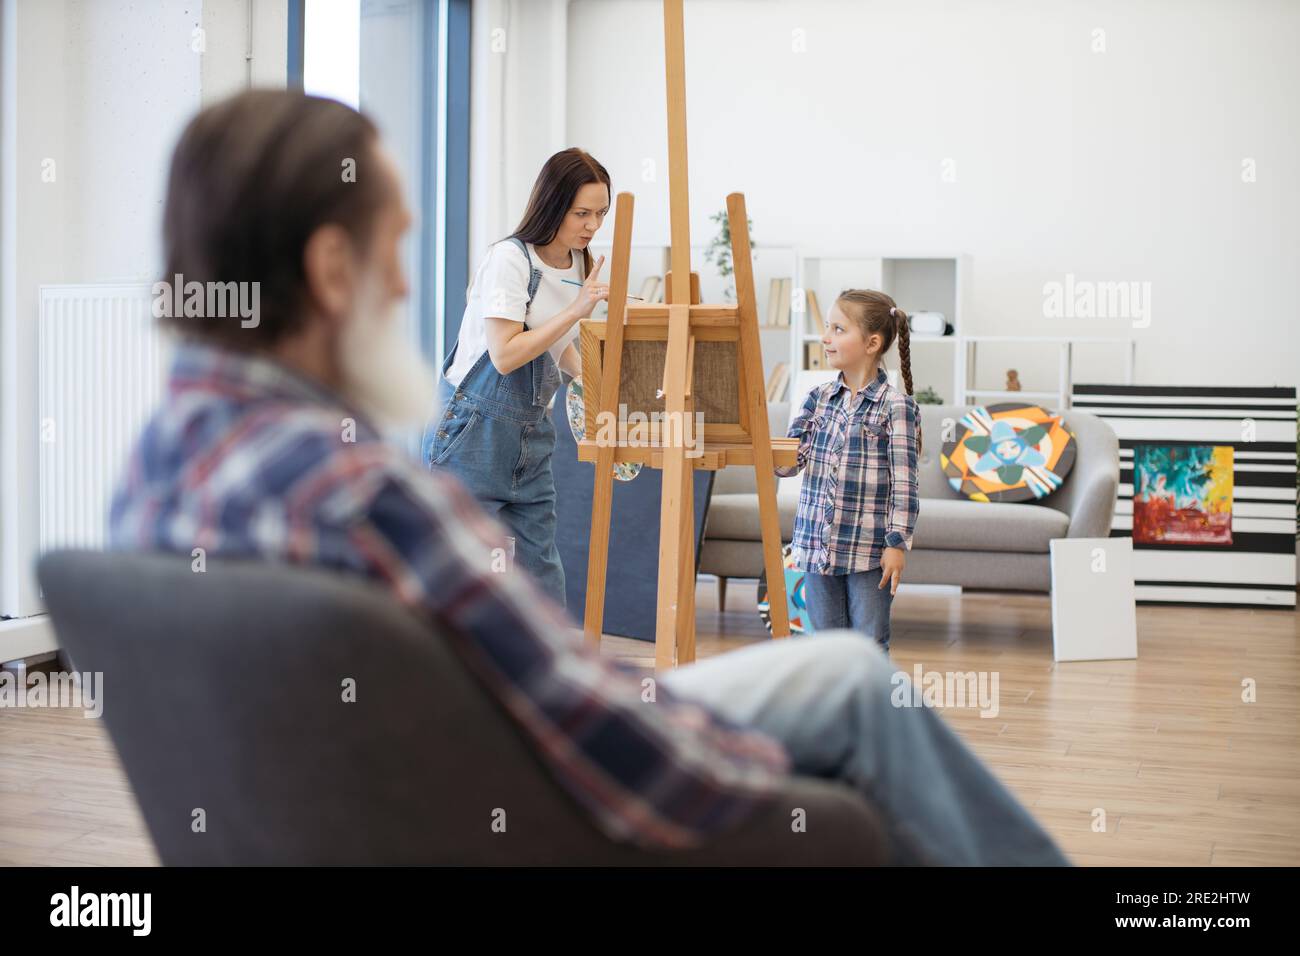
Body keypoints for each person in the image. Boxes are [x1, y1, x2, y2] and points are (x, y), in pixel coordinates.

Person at [109, 90, 1068, 865]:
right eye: (394, 249)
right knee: (850, 679)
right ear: (328, 266)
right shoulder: (359, 490)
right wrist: (736, 764)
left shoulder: (154, 478)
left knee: (615, 610)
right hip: (534, 769)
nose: (405, 286)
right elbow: (577, 722)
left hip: (454, 750)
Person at [423, 149, 612, 606]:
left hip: (531, 436)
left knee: (541, 576)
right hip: (473, 434)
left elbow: (556, 346)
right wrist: (577, 310)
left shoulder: (581, 264)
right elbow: (505, 354)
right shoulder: (510, 260)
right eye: (581, 213)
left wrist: (602, 383)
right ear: (552, 204)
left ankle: (545, 676)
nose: (591, 226)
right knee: (460, 578)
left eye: (601, 213)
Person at [776, 290, 921, 653]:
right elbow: (791, 462)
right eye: (827, 327)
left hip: (870, 551)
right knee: (824, 645)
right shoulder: (818, 398)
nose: (826, 337)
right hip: (814, 544)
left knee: (869, 643)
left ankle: (872, 711)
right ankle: (835, 711)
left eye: (838, 329)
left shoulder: (897, 407)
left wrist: (897, 544)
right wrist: (773, 455)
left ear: (872, 343)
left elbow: (905, 483)